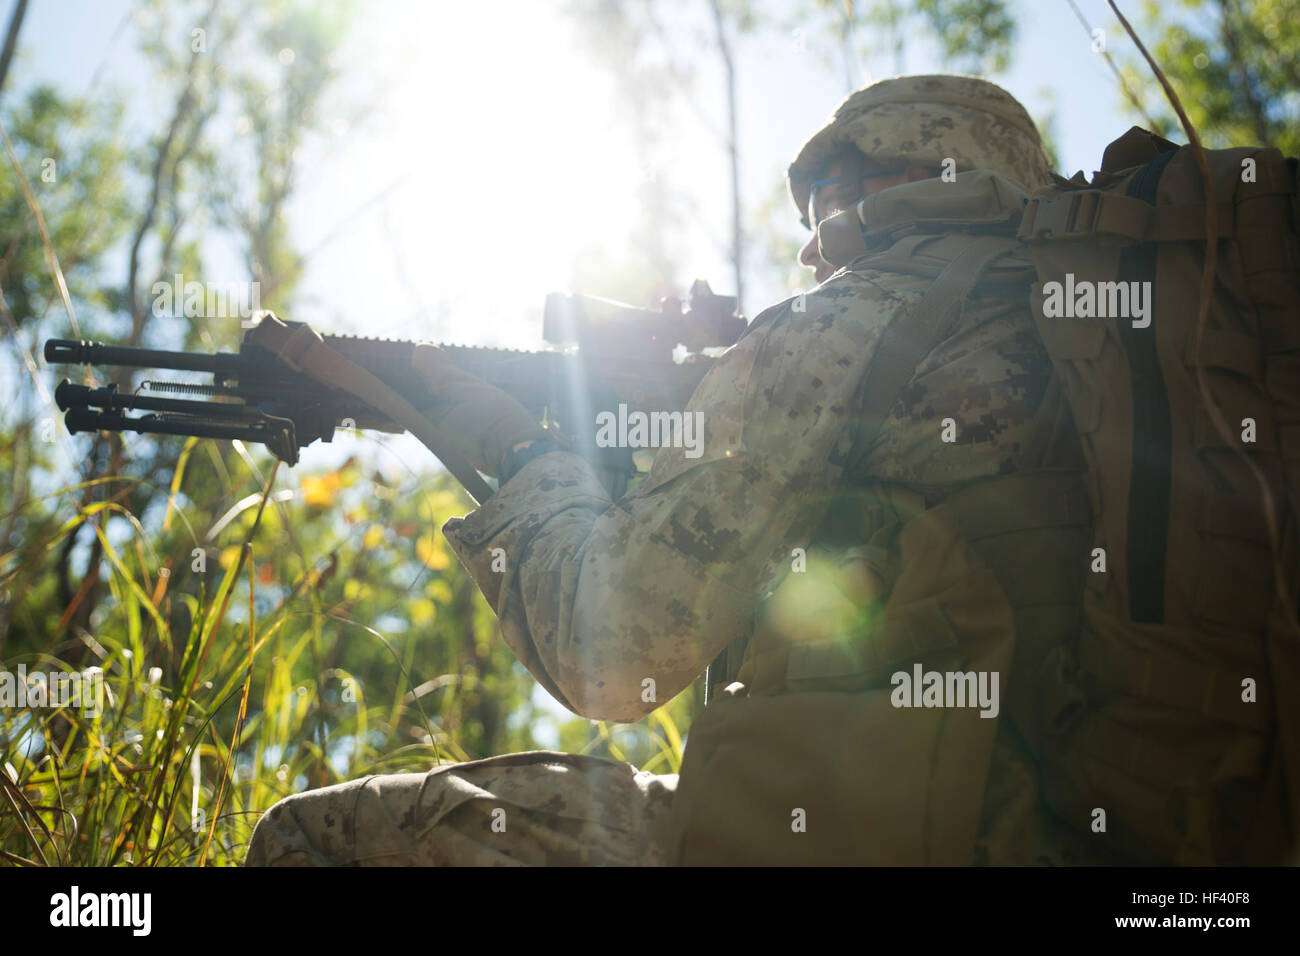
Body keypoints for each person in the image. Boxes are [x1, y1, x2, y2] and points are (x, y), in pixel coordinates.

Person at [245, 74, 1089, 866]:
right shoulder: (1108, 336)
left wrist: (521, 453)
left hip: (877, 834)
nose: (809, 254)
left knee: (312, 838)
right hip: (1087, 827)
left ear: (912, 171)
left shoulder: (851, 322)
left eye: (826, 201)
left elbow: (609, 653)